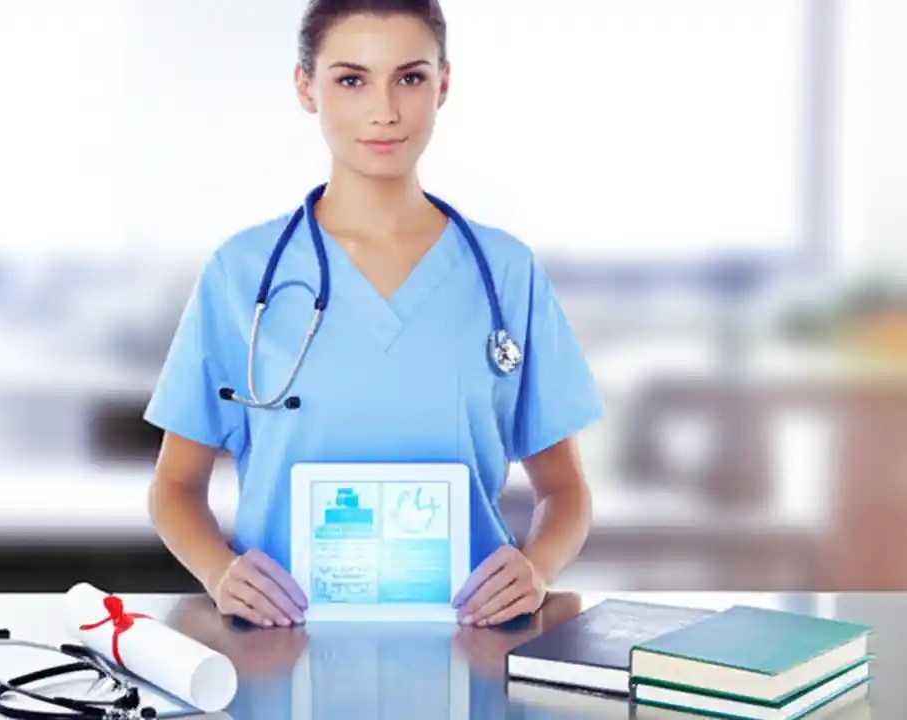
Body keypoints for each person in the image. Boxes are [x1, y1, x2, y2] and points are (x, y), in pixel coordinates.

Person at [146, 0, 603, 629]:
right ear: (307, 87)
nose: (384, 110)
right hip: (283, 640)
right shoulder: (242, 272)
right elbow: (174, 488)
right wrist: (219, 572)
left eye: (410, 78)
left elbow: (566, 489)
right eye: (352, 79)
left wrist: (537, 569)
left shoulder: (505, 272)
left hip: (468, 642)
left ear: (444, 82)